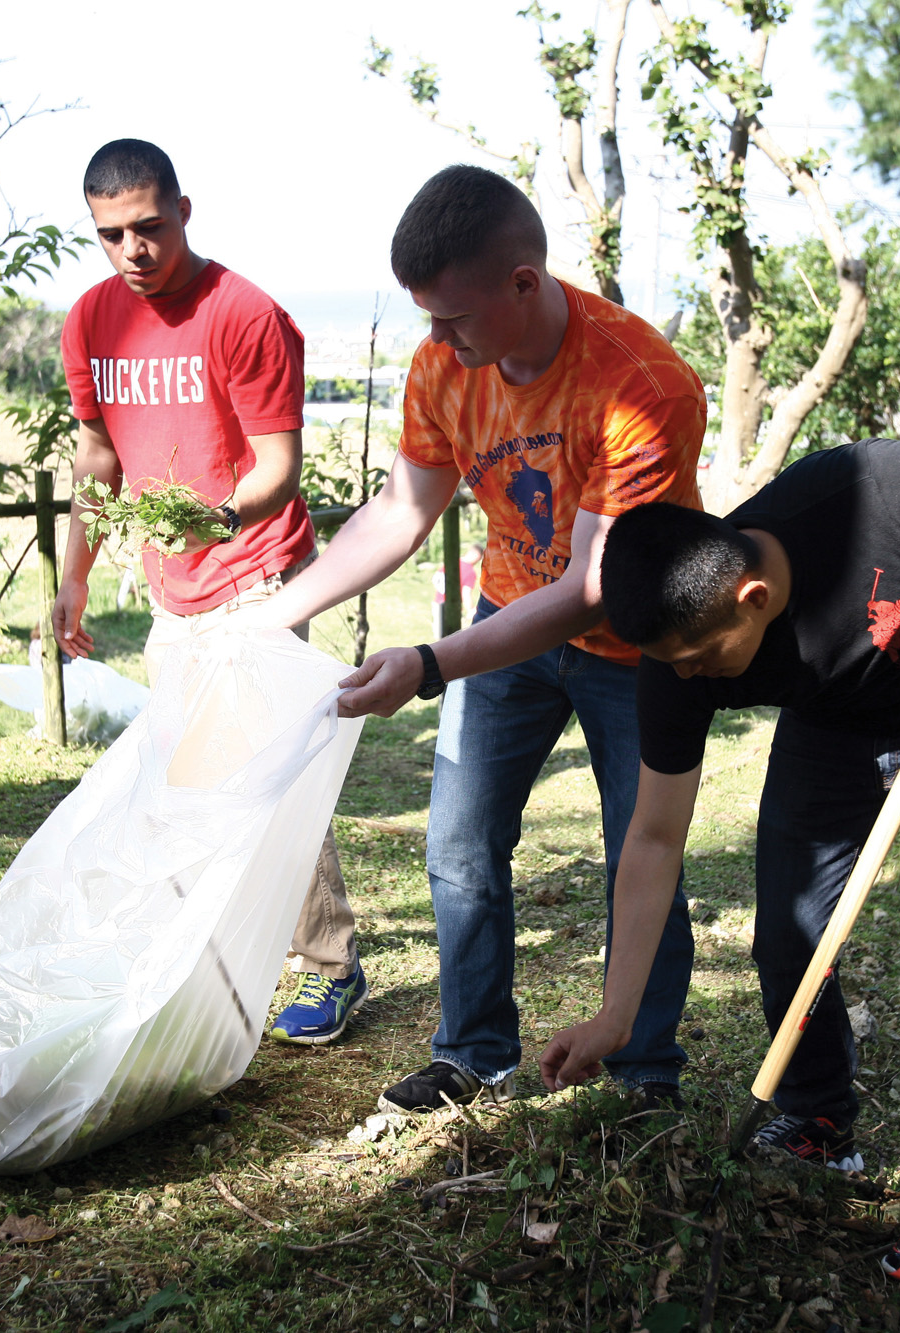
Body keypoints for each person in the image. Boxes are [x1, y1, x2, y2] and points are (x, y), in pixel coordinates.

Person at [538, 409, 900, 1289]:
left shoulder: (882, 488)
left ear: (752, 599)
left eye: (698, 660)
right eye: (674, 664)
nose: (687, 679)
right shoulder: (675, 651)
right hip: (832, 726)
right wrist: (616, 1015)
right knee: (789, 935)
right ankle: (815, 1116)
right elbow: (652, 839)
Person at [251, 164, 707, 1115]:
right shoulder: (443, 366)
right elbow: (399, 513)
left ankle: (645, 1076)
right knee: (459, 843)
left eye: (452, 318)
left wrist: (426, 663)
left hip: (634, 647)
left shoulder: (642, 385)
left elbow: (592, 593)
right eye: (426, 318)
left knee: (638, 848)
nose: (437, 341)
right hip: (507, 632)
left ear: (524, 284)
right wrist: (278, 610)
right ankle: (475, 1053)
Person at [50, 139, 366, 1045]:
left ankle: (332, 964)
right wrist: (75, 575)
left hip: (258, 573)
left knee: (263, 775)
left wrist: (216, 520)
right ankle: (222, 951)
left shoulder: (245, 314)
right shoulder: (90, 323)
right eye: (112, 235)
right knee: (186, 783)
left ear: (184, 210)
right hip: (169, 589)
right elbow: (99, 455)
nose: (133, 250)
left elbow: (278, 466)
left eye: (149, 227)